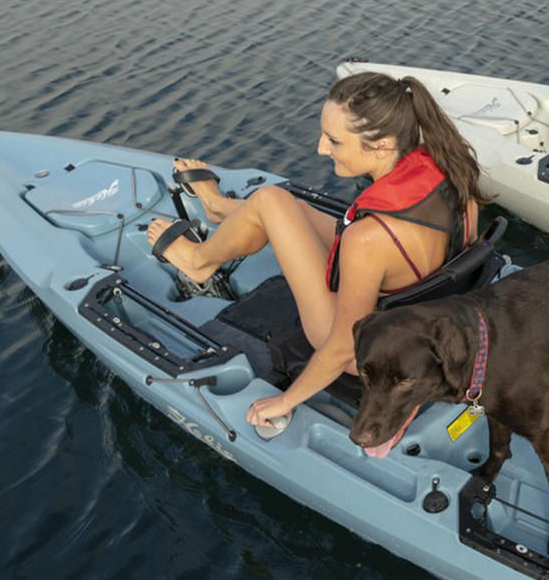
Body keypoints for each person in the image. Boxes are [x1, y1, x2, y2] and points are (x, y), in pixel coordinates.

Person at [146, 72, 492, 428]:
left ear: (383, 145)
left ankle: (198, 261)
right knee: (278, 204)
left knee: (271, 200)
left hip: (364, 347)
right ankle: (221, 210)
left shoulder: (368, 239)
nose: (321, 149)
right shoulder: (452, 169)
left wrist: (285, 400)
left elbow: (342, 347)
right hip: (414, 301)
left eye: (334, 141)